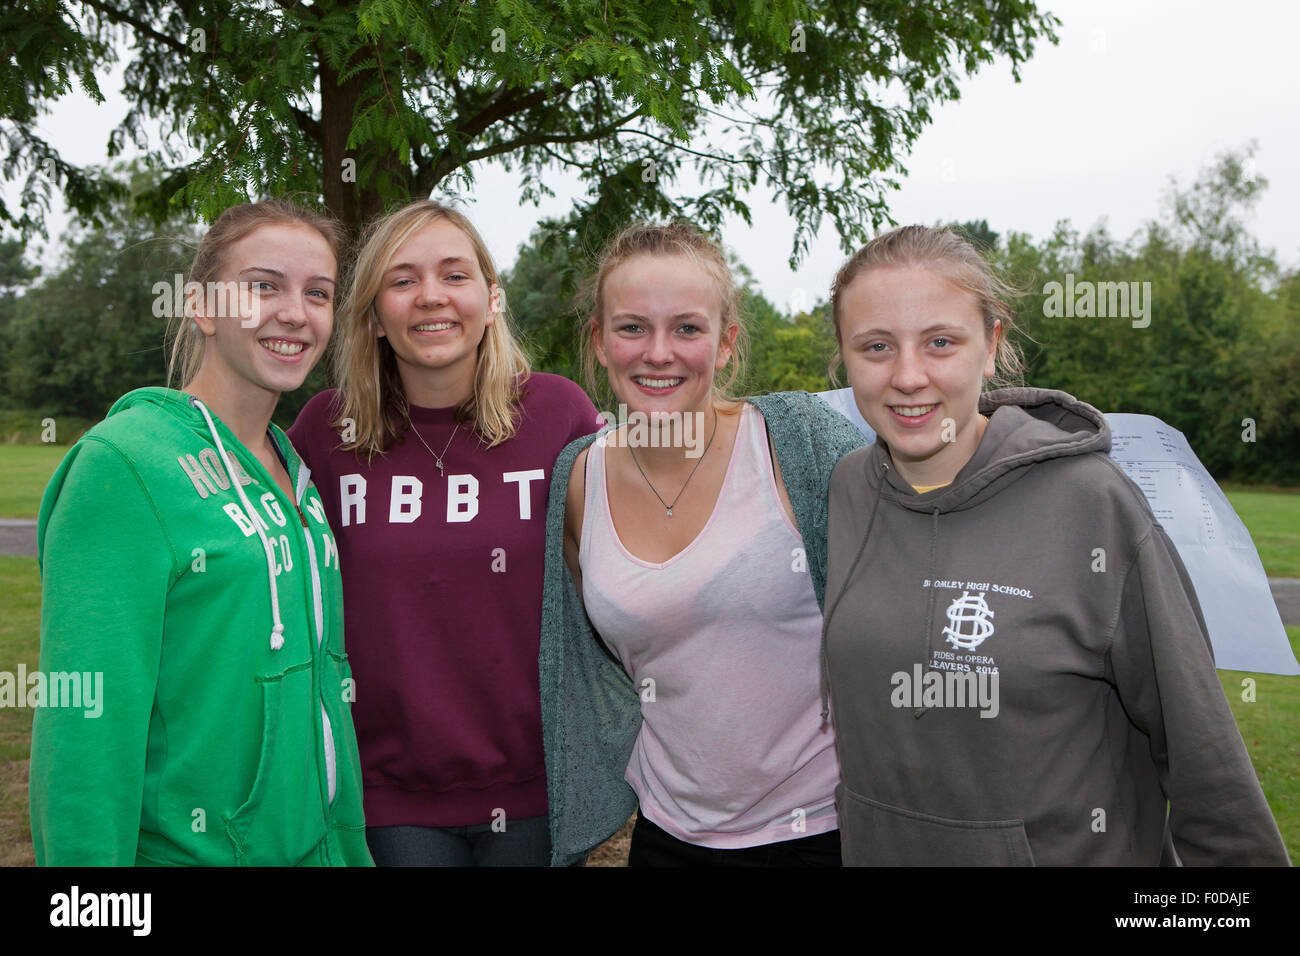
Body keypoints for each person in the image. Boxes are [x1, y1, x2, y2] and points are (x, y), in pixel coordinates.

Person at [822, 224, 1289, 865]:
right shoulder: (848, 488)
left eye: (940, 341)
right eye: (876, 346)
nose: (908, 375)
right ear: (845, 357)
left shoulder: (1092, 502)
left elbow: (1202, 756)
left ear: (992, 345)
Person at [30, 199, 372, 866]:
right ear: (200, 306)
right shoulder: (126, 464)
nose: (295, 313)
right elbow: (84, 737)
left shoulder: (293, 467)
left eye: (318, 294)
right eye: (263, 286)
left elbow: (325, 696)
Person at [539, 222, 867, 866]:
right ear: (599, 343)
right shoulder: (578, 478)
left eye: (687, 328)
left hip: (824, 830)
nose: (659, 353)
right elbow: (578, 658)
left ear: (725, 344)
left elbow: (921, 527)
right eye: (632, 327)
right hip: (669, 839)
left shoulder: (797, 441)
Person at [288, 200, 600, 867]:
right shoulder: (325, 431)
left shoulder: (558, 413)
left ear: (492, 299)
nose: (431, 296)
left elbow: (614, 573)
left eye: (454, 275)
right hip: (388, 795)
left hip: (536, 788)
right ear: (374, 316)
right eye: (402, 281)